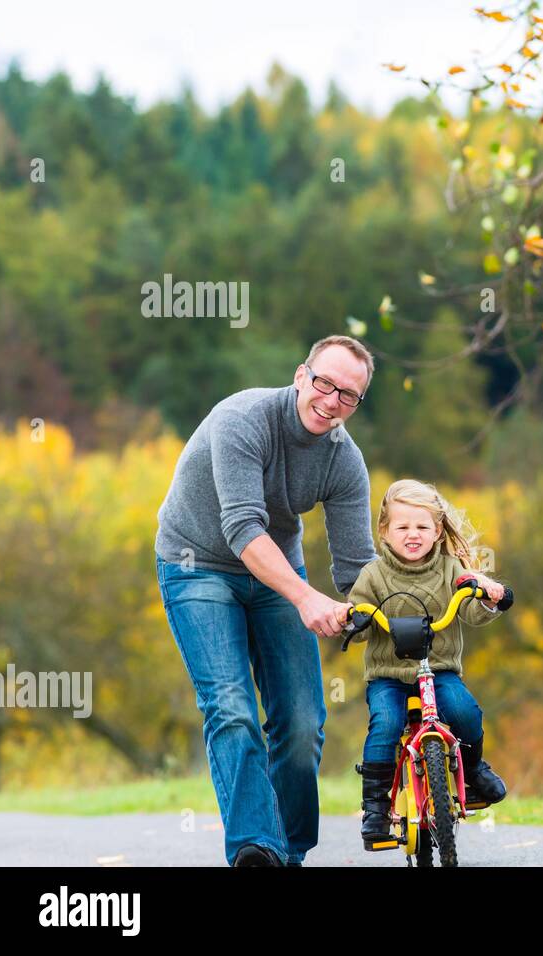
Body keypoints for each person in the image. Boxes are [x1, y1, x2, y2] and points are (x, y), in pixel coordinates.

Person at [155, 335, 377, 866]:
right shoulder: (243, 418)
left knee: (302, 726)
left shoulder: (344, 461)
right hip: (198, 566)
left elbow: (356, 569)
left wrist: (410, 599)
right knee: (231, 709)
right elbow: (242, 527)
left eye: (348, 395)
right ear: (302, 375)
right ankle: (257, 849)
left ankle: (288, 853)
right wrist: (305, 598)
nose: (331, 401)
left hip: (278, 572)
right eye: (324, 384)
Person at [347, 479, 509, 850]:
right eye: (402, 527)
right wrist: (354, 618)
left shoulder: (451, 569)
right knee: (385, 725)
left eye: (422, 527)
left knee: (464, 711)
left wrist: (488, 598)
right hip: (388, 675)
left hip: (440, 671)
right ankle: (374, 807)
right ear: (385, 532)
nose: (413, 535)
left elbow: (470, 607)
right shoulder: (372, 575)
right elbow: (356, 614)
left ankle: (471, 769)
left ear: (438, 531)